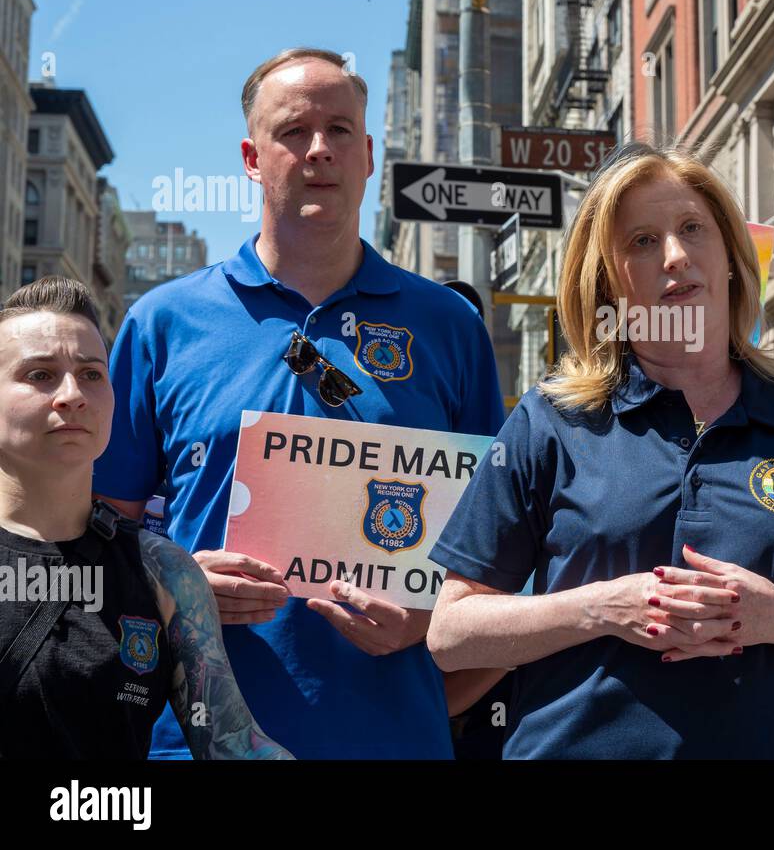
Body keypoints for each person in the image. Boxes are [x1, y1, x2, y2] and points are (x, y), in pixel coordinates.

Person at [425, 143, 774, 759]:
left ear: (732, 258)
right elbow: (451, 632)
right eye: (642, 242)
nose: (676, 256)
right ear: (608, 280)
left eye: (692, 230)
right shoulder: (551, 419)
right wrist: (603, 607)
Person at [92, 49, 506, 759]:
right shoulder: (162, 323)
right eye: (293, 131)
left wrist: (428, 624)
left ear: (369, 154)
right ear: (252, 158)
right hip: (196, 745)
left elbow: (504, 552)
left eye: (340, 130)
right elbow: (93, 538)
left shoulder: (450, 327)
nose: (319, 149)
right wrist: (174, 585)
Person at [0, 277, 290, 759]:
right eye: (39, 375)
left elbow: (233, 744)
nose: (72, 394)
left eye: (92, 374)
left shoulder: (166, 574)